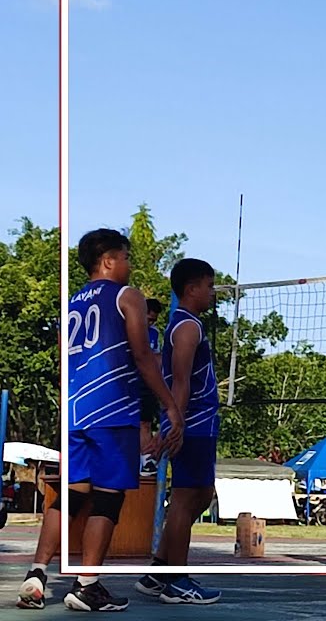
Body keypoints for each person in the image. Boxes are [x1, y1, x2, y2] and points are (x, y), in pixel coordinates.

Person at [18, 229, 183, 612]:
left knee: (70, 496)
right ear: (108, 260)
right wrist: (169, 405)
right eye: (125, 257)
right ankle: (87, 585)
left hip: (76, 412)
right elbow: (142, 356)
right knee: (108, 500)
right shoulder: (128, 297)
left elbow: (64, 367)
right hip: (112, 410)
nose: (129, 265)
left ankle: (37, 573)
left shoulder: (70, 305)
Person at [136, 258, 224, 603]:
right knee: (187, 498)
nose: (213, 292)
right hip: (194, 419)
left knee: (201, 494)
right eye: (209, 285)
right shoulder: (187, 327)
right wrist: (177, 422)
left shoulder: (183, 323)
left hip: (198, 418)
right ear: (191, 289)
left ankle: (158, 571)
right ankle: (177, 581)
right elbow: (182, 380)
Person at [139, 298, 165, 478]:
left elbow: (156, 357)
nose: (150, 323)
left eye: (153, 320)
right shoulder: (126, 327)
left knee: (145, 423)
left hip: (147, 382)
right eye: (148, 318)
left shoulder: (154, 333)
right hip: (126, 383)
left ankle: (147, 460)